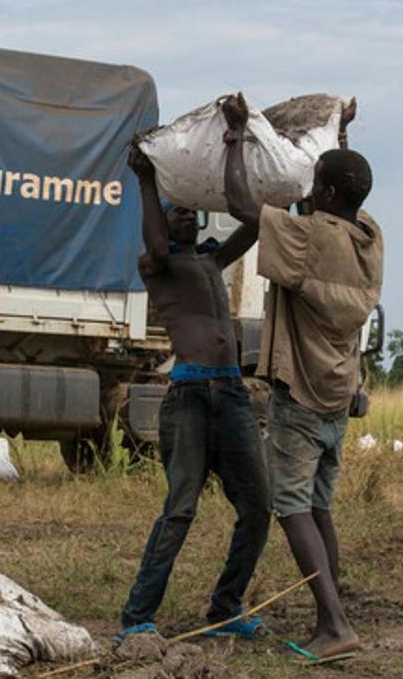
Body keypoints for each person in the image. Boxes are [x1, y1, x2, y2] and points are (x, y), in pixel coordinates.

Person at [220, 93, 384, 661]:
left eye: (317, 184)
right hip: (338, 395)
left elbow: (244, 206)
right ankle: (329, 618)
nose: (308, 191)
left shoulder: (310, 237)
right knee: (318, 508)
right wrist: (337, 138)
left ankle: (336, 627)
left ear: (331, 195)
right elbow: (341, 196)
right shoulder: (368, 240)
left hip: (301, 396)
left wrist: (236, 137)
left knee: (289, 506)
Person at [117, 144, 271, 642]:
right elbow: (159, 246)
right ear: (160, 221)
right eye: (176, 210)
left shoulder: (210, 260)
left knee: (258, 506)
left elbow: (253, 226)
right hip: (188, 397)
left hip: (230, 395)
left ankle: (225, 610)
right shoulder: (155, 264)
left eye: (190, 210)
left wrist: (235, 146)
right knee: (181, 508)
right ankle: (137, 616)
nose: (186, 215)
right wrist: (146, 183)